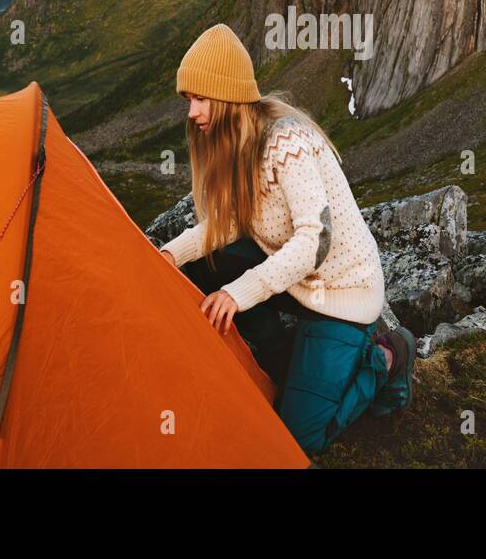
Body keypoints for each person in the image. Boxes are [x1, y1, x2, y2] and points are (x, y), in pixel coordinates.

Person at [157, 23, 415, 456]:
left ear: (226, 96)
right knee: (205, 263)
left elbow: (315, 240)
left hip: (342, 296)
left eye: (199, 99)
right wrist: (168, 254)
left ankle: (387, 358)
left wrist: (239, 295)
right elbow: (225, 223)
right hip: (296, 284)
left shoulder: (286, 143)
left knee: (293, 442)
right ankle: (277, 357)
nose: (192, 113)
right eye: (189, 101)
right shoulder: (235, 143)